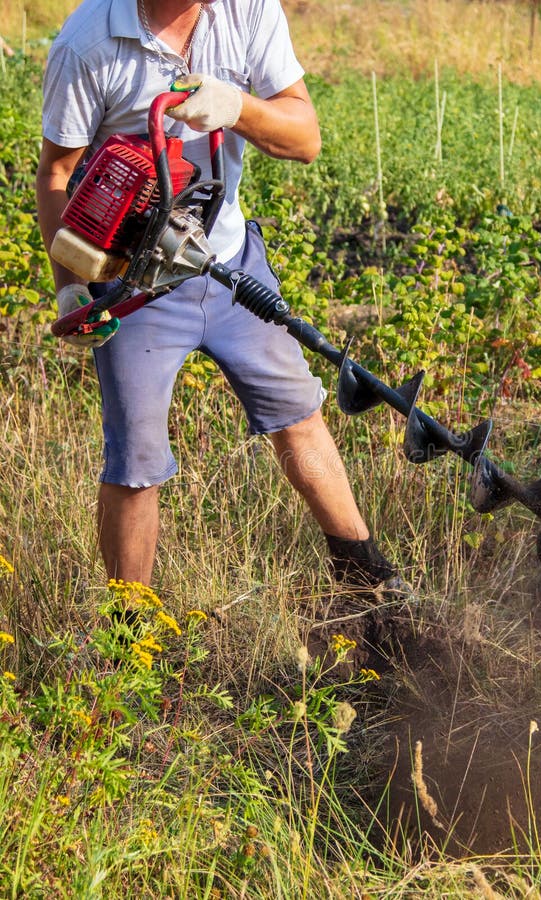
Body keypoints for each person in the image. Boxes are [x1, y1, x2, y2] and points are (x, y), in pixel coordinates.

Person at [36, 0, 406, 600]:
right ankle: (131, 643)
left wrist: (237, 107)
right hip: (135, 284)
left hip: (229, 258)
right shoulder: (88, 43)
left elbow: (305, 137)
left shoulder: (249, 11)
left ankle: (374, 591)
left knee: (298, 417)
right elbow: (57, 172)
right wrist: (73, 285)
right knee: (136, 461)